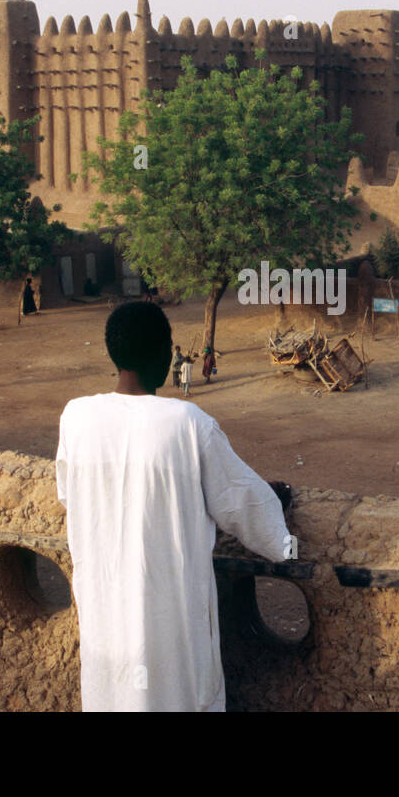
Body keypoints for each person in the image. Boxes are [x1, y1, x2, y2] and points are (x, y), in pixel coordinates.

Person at [54, 302, 290, 711]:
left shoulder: (76, 417)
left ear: (114, 353)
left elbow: (67, 493)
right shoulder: (188, 423)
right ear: (166, 355)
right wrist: (280, 520)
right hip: (171, 627)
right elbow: (241, 504)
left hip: (106, 617)